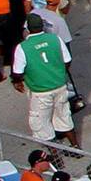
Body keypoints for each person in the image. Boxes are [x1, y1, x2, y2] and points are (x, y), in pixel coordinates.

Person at [12, 14, 79, 147]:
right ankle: (75, 146)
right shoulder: (55, 39)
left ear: (28, 29)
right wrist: (59, 74)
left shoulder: (23, 47)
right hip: (59, 86)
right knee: (64, 116)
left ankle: (54, 156)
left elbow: (17, 72)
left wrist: (17, 82)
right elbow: (67, 60)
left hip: (40, 91)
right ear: (42, 26)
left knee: (41, 123)